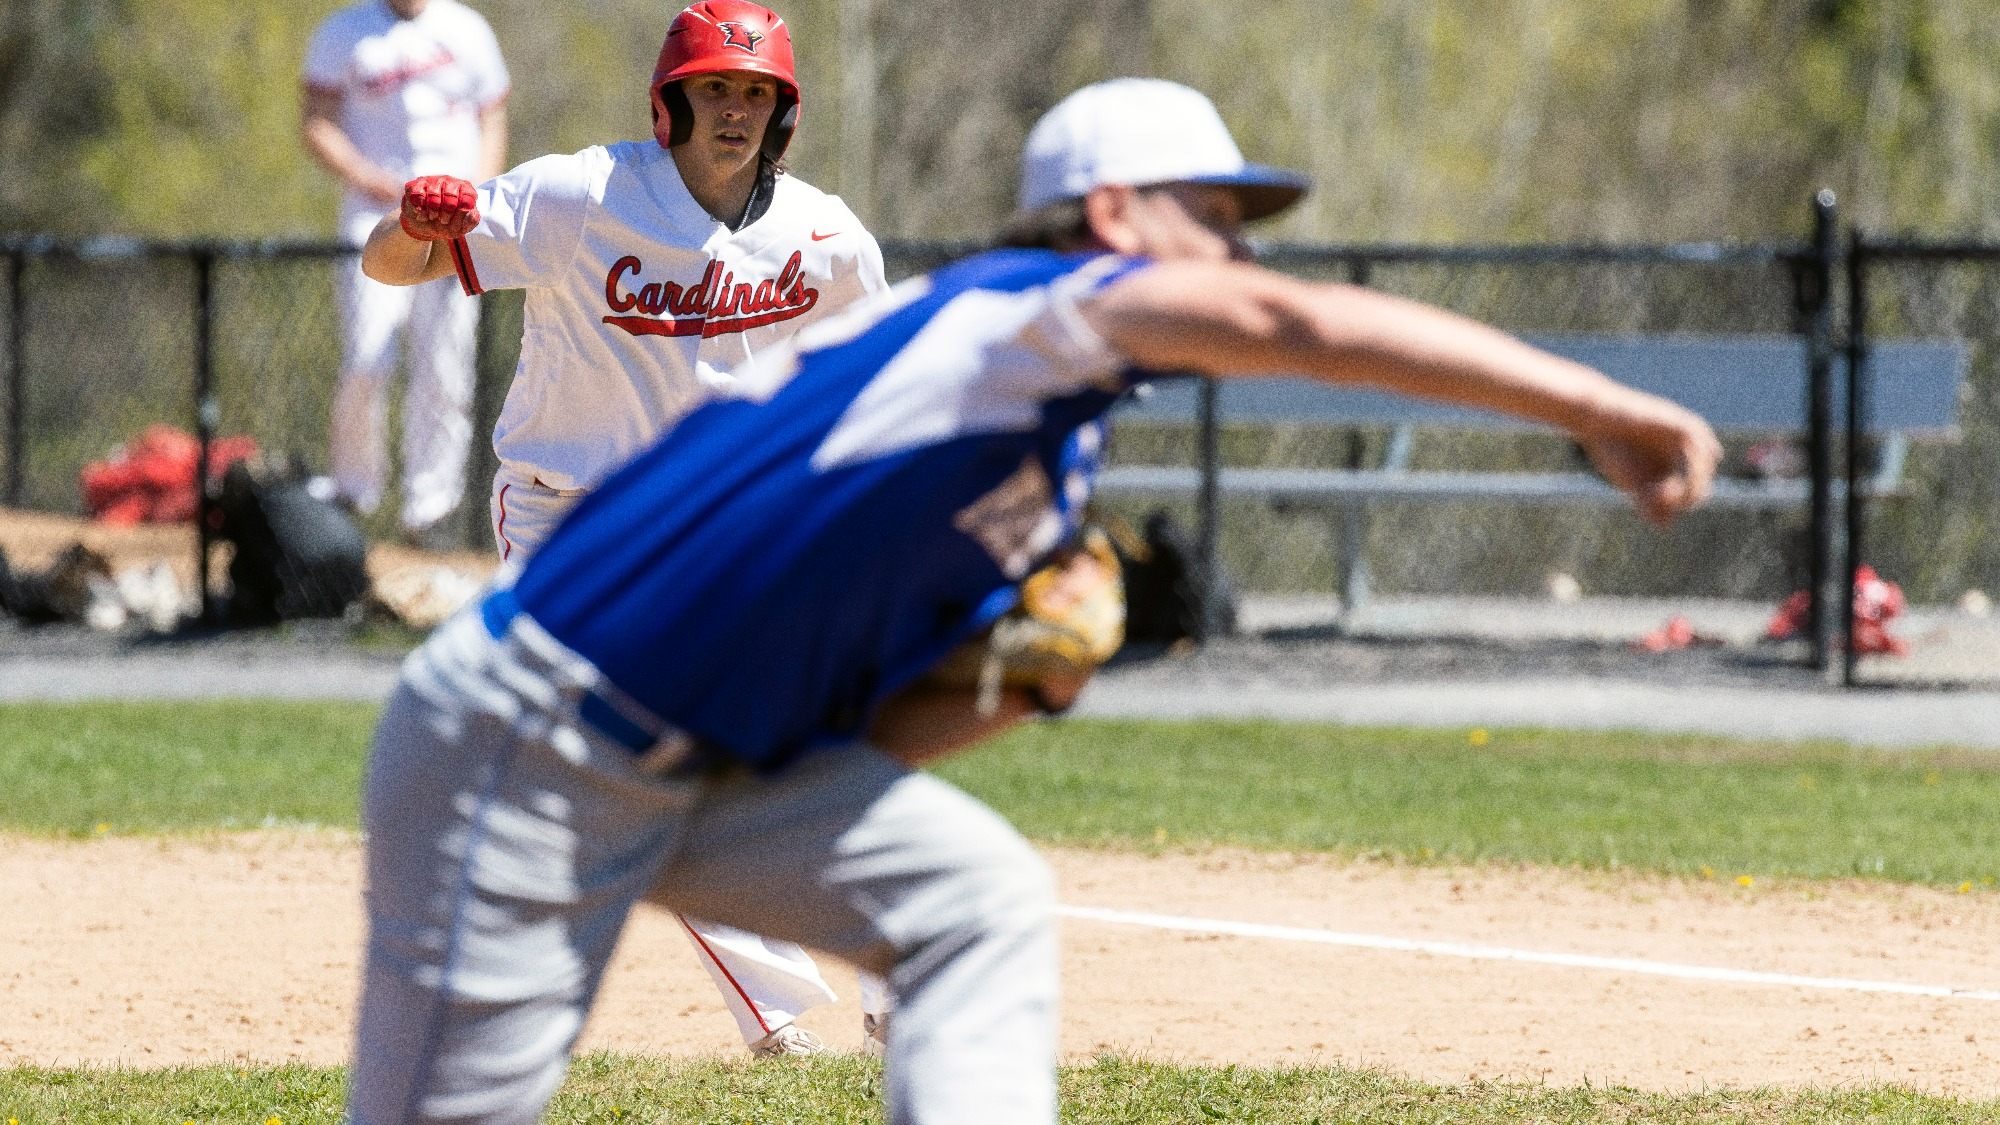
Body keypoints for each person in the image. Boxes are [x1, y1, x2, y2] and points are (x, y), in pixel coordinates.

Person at [350, 77, 1722, 1125]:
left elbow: (866, 727)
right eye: (1218, 219)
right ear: (1117, 221)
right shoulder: (1019, 312)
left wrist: (1026, 684)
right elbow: (1292, 331)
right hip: (516, 740)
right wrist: (1589, 404)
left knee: (976, 902)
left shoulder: (1035, 460)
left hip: (705, 761)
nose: (1239, 256)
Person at [361, 1, 890, 1058]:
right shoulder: (578, 194)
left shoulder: (825, 238)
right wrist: (413, 227)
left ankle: (886, 969)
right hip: (569, 515)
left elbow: (877, 381)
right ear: (671, 101)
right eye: (715, 89)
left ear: (782, 112)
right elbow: (392, 269)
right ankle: (777, 1016)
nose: (734, 110)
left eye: (756, 93)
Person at [303, 0, 510, 548]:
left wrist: (476, 200)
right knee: (367, 357)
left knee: (445, 366)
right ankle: (352, 493)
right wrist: (370, 178)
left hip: (454, 218)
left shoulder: (466, 29)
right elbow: (316, 122)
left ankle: (430, 510)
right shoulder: (344, 31)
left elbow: (492, 122)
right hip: (377, 214)